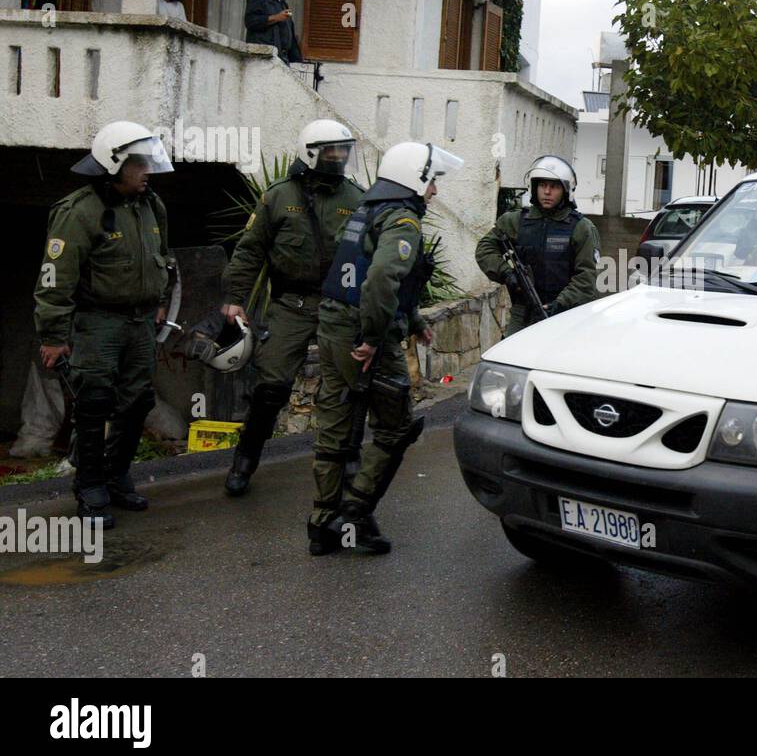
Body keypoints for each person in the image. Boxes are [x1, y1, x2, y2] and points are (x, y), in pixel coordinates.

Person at [308, 142, 462, 556]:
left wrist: (413, 322)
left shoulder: (364, 210)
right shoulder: (402, 219)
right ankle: (354, 513)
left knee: (336, 429)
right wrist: (373, 339)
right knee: (396, 427)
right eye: (432, 182)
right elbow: (379, 281)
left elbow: (354, 270)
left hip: (332, 323)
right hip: (363, 334)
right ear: (414, 178)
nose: (434, 191)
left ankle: (322, 524)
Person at [34, 122, 176, 528]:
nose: (148, 170)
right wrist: (53, 337)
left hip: (140, 324)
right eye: (139, 163)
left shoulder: (152, 206)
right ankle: (90, 486)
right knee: (94, 403)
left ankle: (116, 476)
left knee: (137, 402)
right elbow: (54, 279)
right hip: (99, 323)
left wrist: (160, 302)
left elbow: (162, 258)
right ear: (115, 165)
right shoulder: (79, 211)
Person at [220, 120, 364, 496]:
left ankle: (349, 459)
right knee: (271, 385)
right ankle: (244, 461)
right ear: (312, 152)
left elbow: (371, 256)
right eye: (332, 150)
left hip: (338, 305)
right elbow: (251, 249)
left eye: (344, 150)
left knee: (349, 384)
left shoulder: (357, 199)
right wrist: (236, 298)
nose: (340, 157)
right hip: (292, 304)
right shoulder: (279, 197)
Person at [475, 156, 601, 335]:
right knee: (508, 358)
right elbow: (485, 249)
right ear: (534, 188)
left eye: (554, 187)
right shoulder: (516, 221)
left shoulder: (582, 228)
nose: (547, 192)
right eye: (542, 185)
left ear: (566, 190)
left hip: (566, 314)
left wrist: (559, 304)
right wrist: (507, 273)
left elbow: (586, 278)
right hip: (523, 313)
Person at [244, 0, 301, 64]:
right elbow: (250, 22)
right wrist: (276, 17)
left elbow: (290, 36)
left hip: (282, 59)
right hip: (264, 59)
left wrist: (298, 62)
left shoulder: (283, 3)